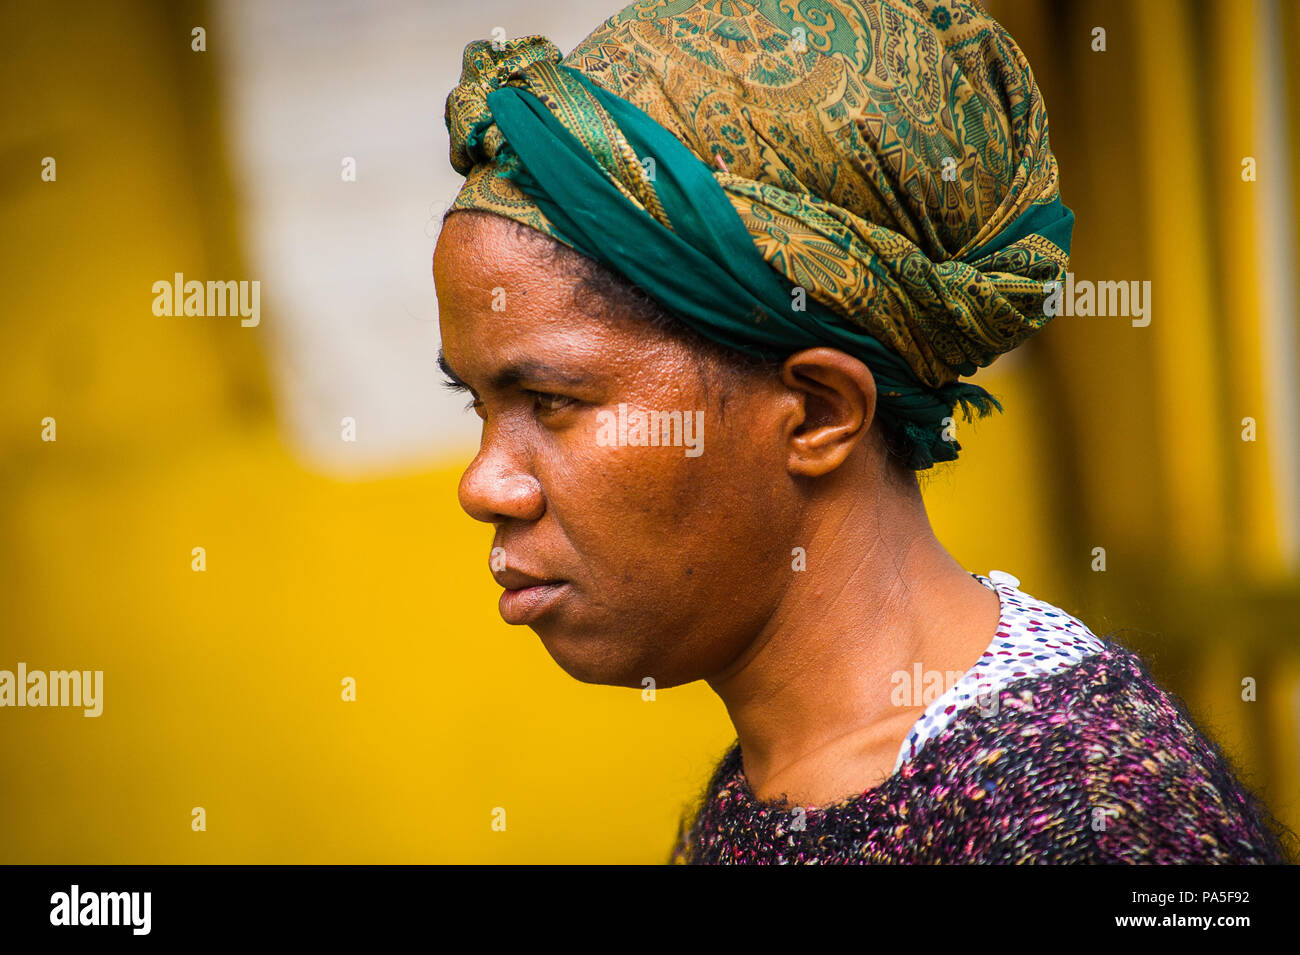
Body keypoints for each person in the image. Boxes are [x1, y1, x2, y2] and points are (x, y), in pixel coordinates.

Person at [433, 0, 1292, 863]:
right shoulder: (775, 788)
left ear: (817, 413)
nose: (484, 485)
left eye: (550, 400)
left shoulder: (1084, 807)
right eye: (478, 405)